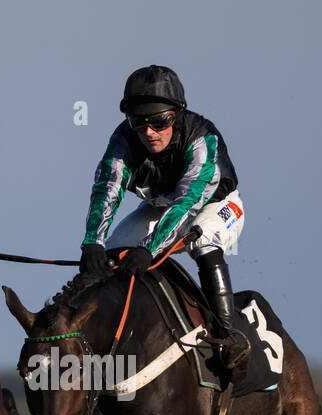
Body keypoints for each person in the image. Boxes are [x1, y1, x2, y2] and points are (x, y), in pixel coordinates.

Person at [80, 66, 249, 376]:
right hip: (163, 206)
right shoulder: (122, 141)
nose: (149, 132)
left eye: (160, 121)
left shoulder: (202, 139)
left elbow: (188, 203)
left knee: (203, 242)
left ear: (178, 114)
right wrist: (93, 241)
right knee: (113, 250)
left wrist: (149, 248)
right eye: (138, 123)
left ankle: (228, 339)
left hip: (215, 206)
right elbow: (108, 188)